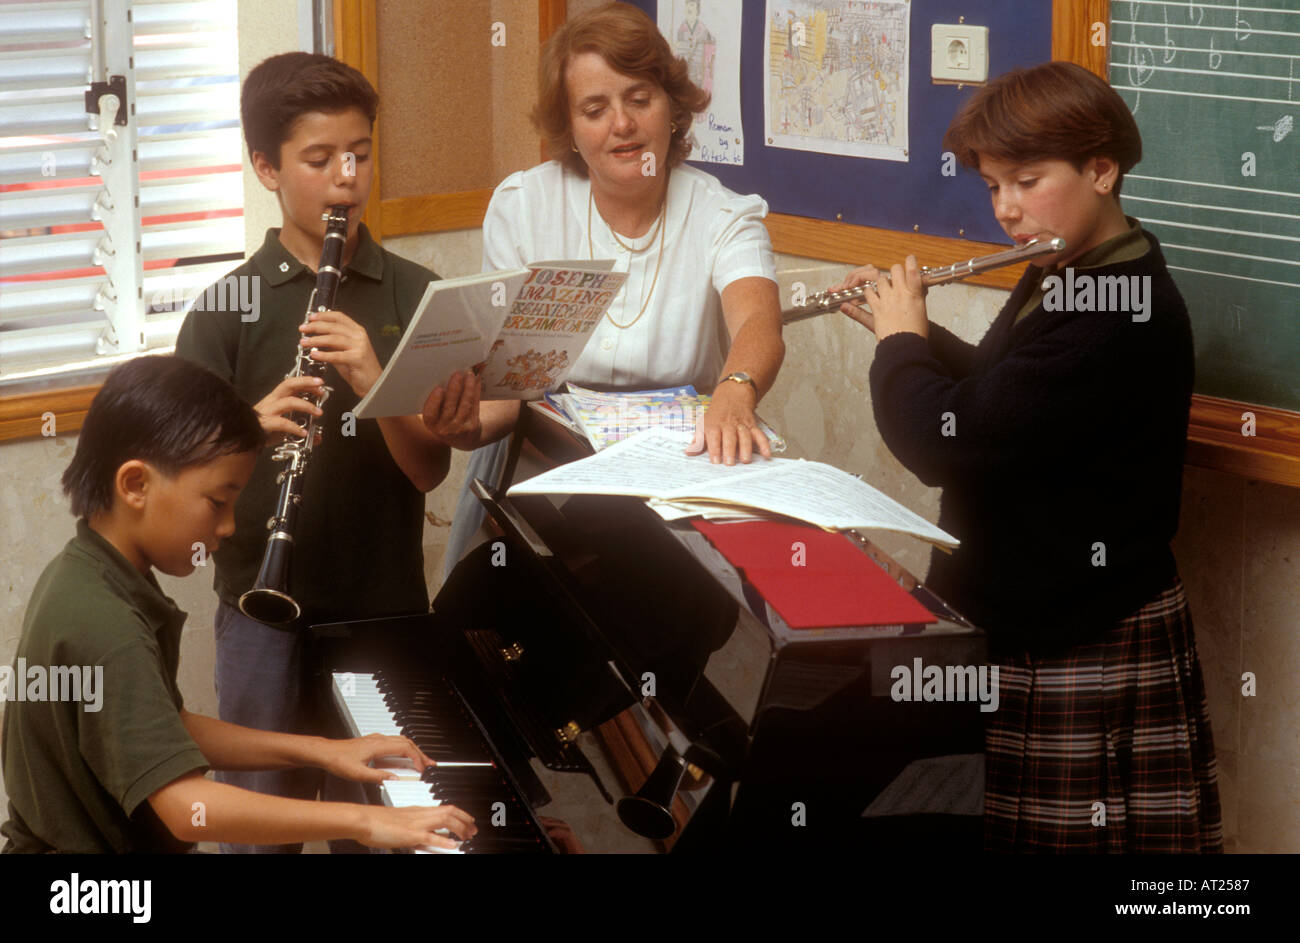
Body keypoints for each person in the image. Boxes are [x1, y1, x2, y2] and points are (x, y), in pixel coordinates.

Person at [833, 61, 1222, 853]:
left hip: (1078, 633)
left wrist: (902, 345)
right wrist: (900, 326)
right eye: (993, 187)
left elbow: (948, 441)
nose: (1007, 209)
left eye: (1027, 180)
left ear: (1101, 168)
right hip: (1025, 616)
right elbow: (1001, 394)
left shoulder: (1120, 308)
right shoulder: (1070, 269)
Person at [0, 356, 474, 853]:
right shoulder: (105, 622)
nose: (227, 527)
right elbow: (188, 811)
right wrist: (366, 822)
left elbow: (167, 730)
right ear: (136, 485)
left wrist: (324, 752)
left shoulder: (88, 573)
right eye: (218, 501)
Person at [174, 52, 449, 852]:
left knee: (389, 828)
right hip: (262, 622)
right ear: (266, 167)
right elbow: (180, 492)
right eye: (319, 159)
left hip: (384, 611)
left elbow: (429, 469)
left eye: (360, 153)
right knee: (262, 831)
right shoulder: (226, 308)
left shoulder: (413, 293)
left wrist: (374, 376)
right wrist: (247, 431)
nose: (347, 178)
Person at [424, 1, 785, 575]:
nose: (623, 124)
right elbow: (509, 390)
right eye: (595, 109)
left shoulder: (723, 213)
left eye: (640, 99)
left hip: (671, 492)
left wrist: (736, 391)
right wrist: (465, 429)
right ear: (569, 128)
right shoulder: (523, 207)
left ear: (671, 108)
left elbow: (758, 324)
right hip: (542, 486)